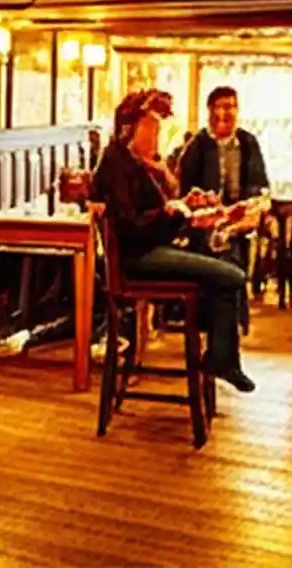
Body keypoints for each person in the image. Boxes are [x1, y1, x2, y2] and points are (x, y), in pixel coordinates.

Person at [91, 89, 256, 392]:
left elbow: (154, 214)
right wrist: (180, 216)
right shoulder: (117, 164)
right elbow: (134, 228)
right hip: (136, 260)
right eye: (151, 130)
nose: (155, 138)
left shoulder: (133, 163)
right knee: (231, 276)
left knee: (224, 268)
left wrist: (186, 209)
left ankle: (221, 356)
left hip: (148, 250)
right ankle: (222, 360)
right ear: (130, 129)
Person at [177, 86, 269, 329]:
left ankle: (231, 318)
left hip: (237, 217)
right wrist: (205, 204)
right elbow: (183, 187)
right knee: (220, 251)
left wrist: (249, 204)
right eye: (220, 106)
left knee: (235, 244)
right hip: (203, 220)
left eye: (231, 107)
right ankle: (216, 320)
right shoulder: (197, 145)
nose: (225, 113)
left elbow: (259, 183)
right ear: (210, 111)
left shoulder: (248, 143)